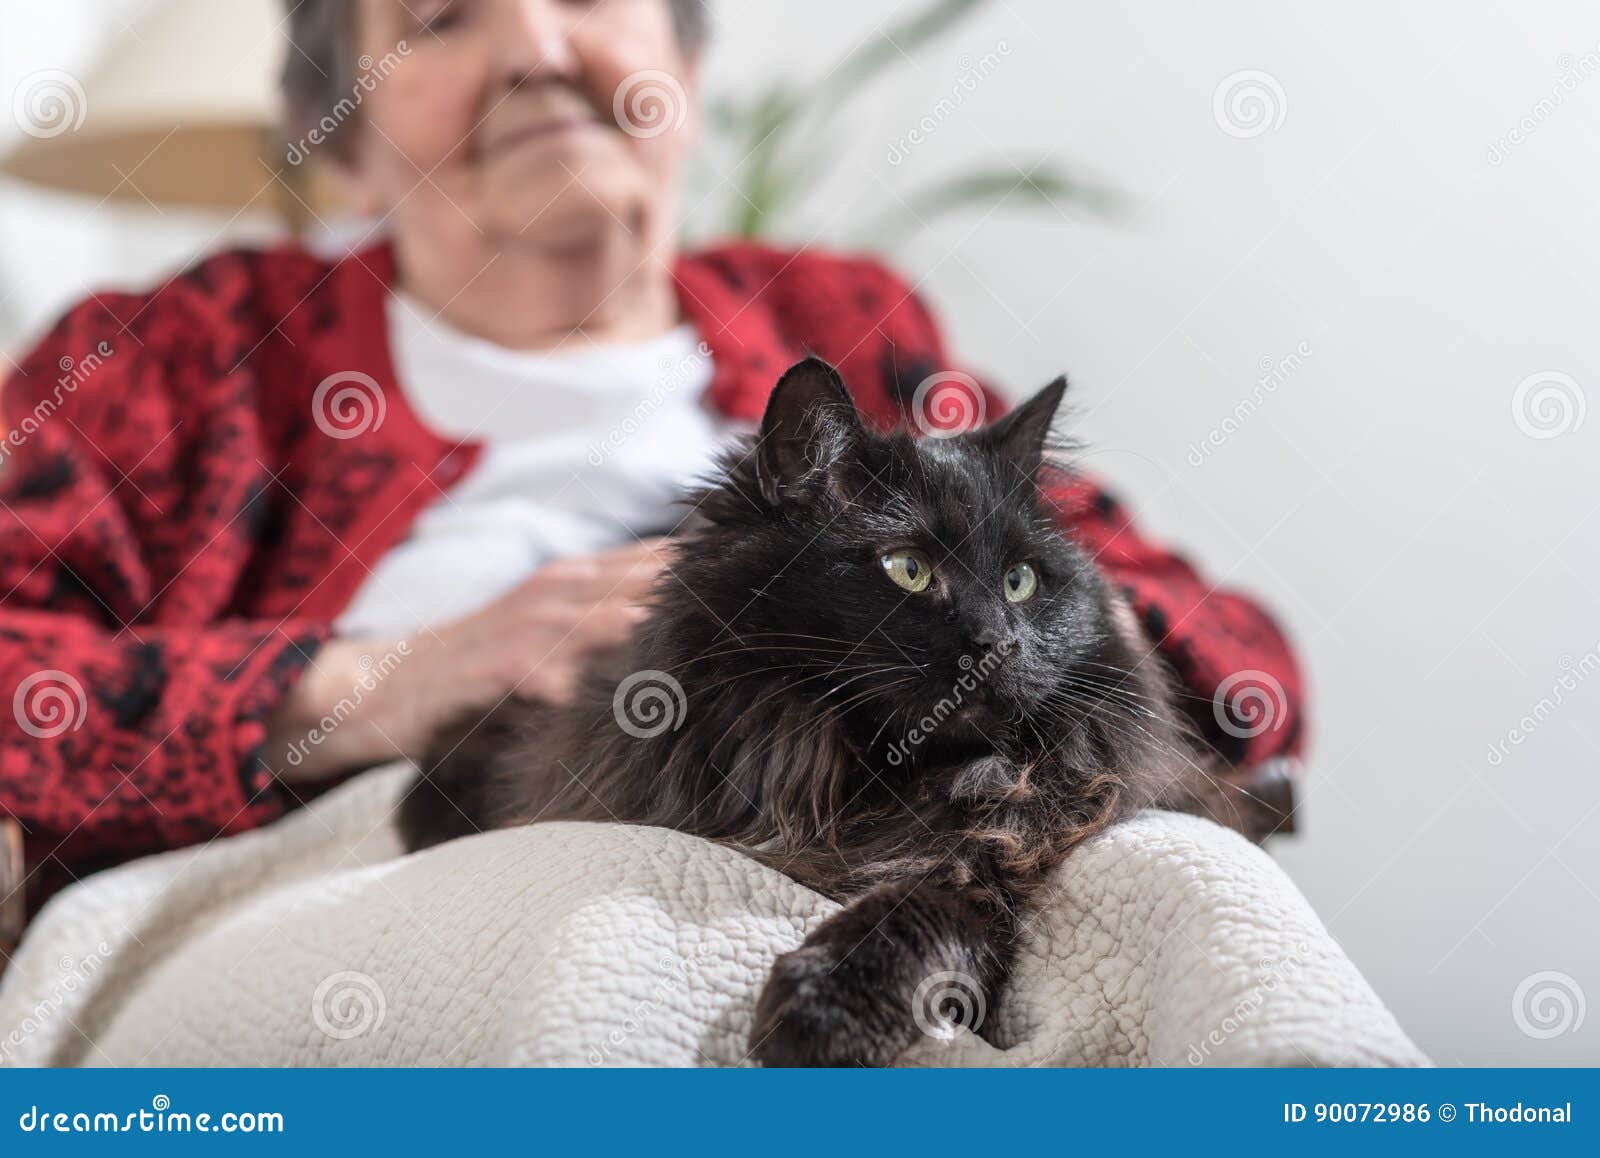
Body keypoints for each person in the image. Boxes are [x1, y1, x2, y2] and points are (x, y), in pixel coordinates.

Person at [0, 0, 1302, 918]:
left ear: (682, 66)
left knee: (1188, 896)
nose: (536, 48)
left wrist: (1014, 648)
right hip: (385, 874)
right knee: (616, 935)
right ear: (340, 147)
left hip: (873, 854)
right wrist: (384, 680)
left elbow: (1242, 667)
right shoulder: (185, 352)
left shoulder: (842, 320)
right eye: (442, 17)